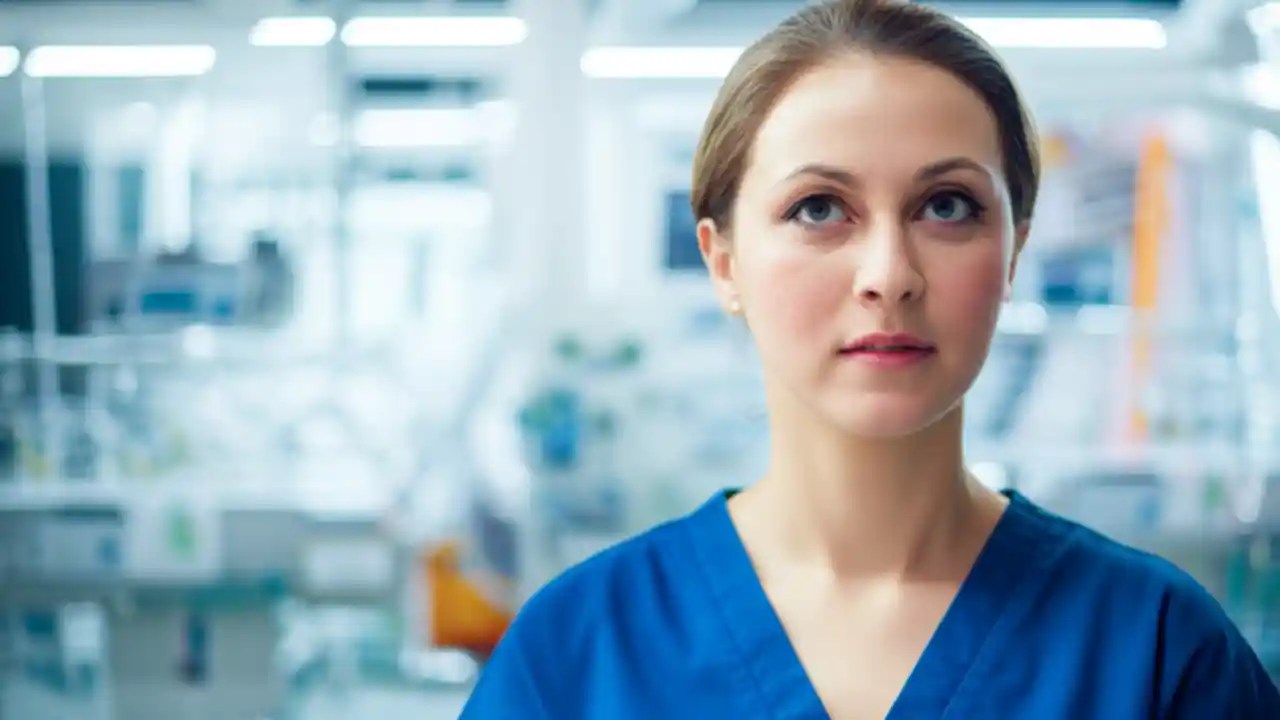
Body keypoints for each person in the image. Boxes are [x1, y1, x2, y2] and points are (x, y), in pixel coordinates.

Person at [462, 0, 1280, 717]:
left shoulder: (1159, 659)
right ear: (724, 262)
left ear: (1014, 251)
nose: (889, 275)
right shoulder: (576, 659)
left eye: (947, 206)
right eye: (819, 208)